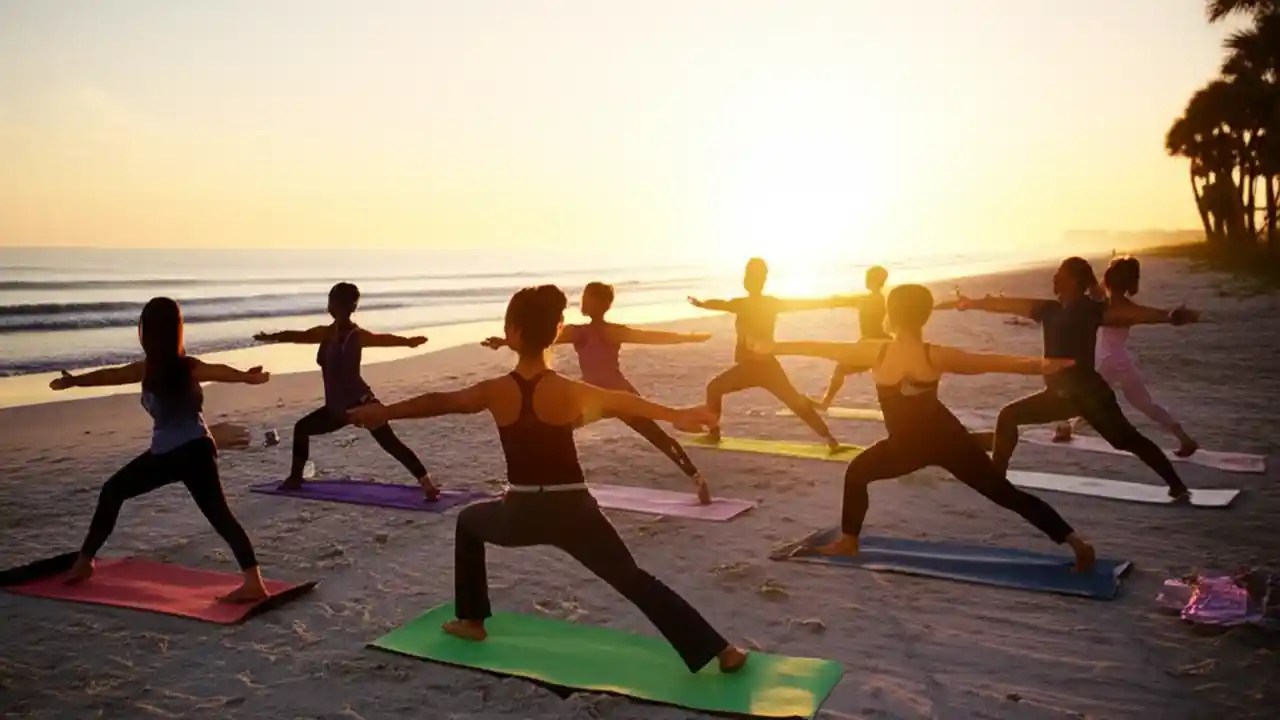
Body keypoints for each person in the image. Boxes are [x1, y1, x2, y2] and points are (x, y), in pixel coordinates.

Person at [350, 285, 748, 675]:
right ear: (558, 330)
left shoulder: (496, 390)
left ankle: (472, 621)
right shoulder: (568, 390)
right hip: (576, 511)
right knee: (634, 579)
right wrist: (676, 414)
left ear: (514, 333)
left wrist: (386, 412)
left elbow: (441, 402)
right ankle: (722, 650)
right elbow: (621, 401)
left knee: (469, 522)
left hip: (521, 513)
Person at [755, 284, 1095, 570]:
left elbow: (820, 349)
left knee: (857, 473)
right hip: (947, 438)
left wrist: (776, 346)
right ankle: (1075, 540)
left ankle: (849, 542)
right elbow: (988, 361)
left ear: (891, 314)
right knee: (1006, 494)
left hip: (906, 446)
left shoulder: (876, 351)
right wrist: (1039, 365)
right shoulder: (935, 354)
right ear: (924, 316)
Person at [50, 297, 271, 601]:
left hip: (178, 453)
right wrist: (75, 381)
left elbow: (219, 371)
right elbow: (111, 375)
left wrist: (248, 376)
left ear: (147, 332)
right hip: (193, 449)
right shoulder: (177, 368)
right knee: (218, 515)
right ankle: (253, 580)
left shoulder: (157, 369)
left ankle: (84, 562)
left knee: (114, 491)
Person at [938, 256, 1200, 499]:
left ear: (1075, 280)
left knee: (1126, 441)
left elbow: (1133, 313)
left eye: (1060, 274)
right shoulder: (1048, 309)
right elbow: (1009, 304)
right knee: (1009, 416)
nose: (1054, 278)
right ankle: (997, 478)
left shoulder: (1091, 309)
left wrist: (1169, 316)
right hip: (1059, 396)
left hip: (1090, 395)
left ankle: (1176, 484)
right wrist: (973, 302)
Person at [482, 281, 714, 503]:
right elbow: (536, 337)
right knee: (553, 432)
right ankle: (531, 484)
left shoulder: (599, 332)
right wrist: (503, 341)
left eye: (587, 299)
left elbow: (650, 337)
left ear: (601, 304)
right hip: (596, 398)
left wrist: (687, 337)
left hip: (613, 398)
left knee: (657, 437)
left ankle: (697, 478)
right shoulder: (579, 332)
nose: (582, 302)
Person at [254, 282, 437, 499]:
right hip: (337, 408)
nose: (328, 306)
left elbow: (382, 340)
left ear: (339, 305)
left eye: (331, 301)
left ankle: (427, 485)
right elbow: (299, 335)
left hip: (360, 402)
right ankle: (295, 478)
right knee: (302, 429)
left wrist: (408, 342)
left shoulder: (355, 335)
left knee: (390, 443)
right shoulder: (326, 333)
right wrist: (272, 337)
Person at [688, 257, 847, 452]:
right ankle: (830, 439)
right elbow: (801, 304)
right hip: (759, 367)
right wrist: (702, 304)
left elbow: (720, 304)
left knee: (715, 388)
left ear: (753, 280)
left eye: (750, 276)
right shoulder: (764, 303)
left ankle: (713, 433)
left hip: (757, 367)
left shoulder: (743, 304)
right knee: (793, 400)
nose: (748, 280)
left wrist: (702, 304)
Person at [1053, 256, 1199, 456]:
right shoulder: (1120, 305)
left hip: (1107, 362)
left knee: (1089, 398)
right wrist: (1172, 316)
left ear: (1110, 279)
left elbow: (1094, 287)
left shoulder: (1102, 303)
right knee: (1143, 404)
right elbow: (1154, 315)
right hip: (1119, 361)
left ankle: (1066, 427)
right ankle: (1185, 439)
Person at [814, 265, 890, 409]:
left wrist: (835, 301)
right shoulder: (879, 299)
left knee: (841, 369)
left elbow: (849, 301)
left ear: (874, 281)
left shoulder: (868, 300)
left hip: (870, 345)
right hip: (879, 343)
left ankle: (825, 403)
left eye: (868, 277)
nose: (865, 280)